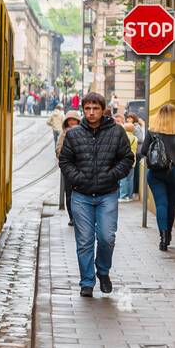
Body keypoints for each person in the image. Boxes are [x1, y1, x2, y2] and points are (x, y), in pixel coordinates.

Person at [58, 92, 134, 297]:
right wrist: (78, 178)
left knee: (107, 237)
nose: (91, 113)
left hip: (107, 194)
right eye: (87, 109)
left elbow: (127, 158)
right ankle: (87, 282)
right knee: (84, 241)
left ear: (102, 110)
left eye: (95, 109)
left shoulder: (117, 132)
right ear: (83, 110)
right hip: (81, 195)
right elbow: (65, 161)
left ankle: (103, 271)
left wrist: (111, 176)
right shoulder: (74, 134)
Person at [139, 104, 175, 251]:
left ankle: (163, 238)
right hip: (174, 172)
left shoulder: (152, 131)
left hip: (156, 173)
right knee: (171, 204)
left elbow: (143, 151)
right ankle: (169, 235)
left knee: (161, 203)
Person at [58, 111, 81, 226]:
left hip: (81, 168)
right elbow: (59, 150)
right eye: (70, 120)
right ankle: (72, 217)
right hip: (68, 169)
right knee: (69, 194)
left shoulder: (83, 132)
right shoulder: (64, 134)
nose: (72, 122)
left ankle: (80, 216)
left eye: (74, 120)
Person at [118, 120, 138, 201]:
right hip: (133, 160)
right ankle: (129, 196)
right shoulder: (135, 138)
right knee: (130, 179)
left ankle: (123, 196)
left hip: (124, 160)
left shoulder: (123, 137)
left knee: (123, 179)